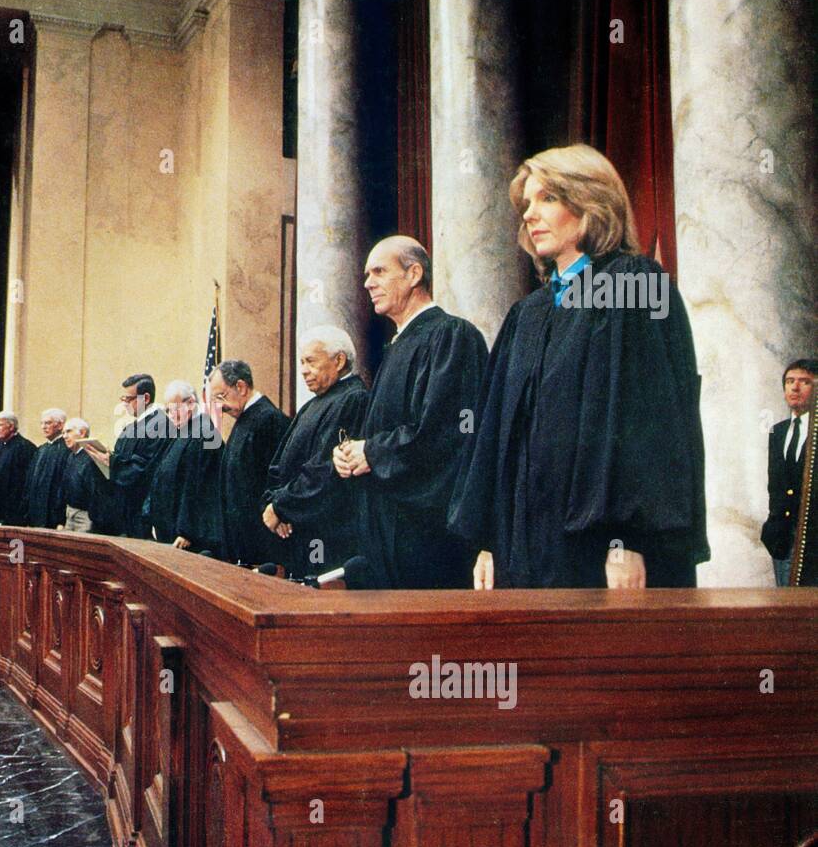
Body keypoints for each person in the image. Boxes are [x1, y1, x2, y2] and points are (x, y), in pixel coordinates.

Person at [448, 144, 708, 589]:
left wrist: (630, 540)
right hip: (525, 550)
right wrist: (488, 540)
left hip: (602, 552)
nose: (530, 214)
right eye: (527, 203)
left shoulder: (633, 285)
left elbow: (652, 424)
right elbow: (494, 435)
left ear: (591, 203)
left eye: (548, 198)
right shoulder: (526, 314)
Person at [333, 240, 488, 588]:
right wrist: (350, 452)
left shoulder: (450, 336)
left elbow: (446, 432)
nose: (367, 283)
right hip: (387, 532)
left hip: (426, 539)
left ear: (414, 273)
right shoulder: (399, 344)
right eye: (367, 274)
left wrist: (370, 452)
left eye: (379, 271)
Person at [264, 326, 370, 579]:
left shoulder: (352, 399)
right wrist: (276, 505)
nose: (302, 370)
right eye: (301, 362)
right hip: (298, 528)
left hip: (328, 535)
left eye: (310, 361)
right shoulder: (313, 404)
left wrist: (281, 506)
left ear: (339, 360)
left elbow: (325, 469)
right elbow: (278, 465)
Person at [209, 359, 291, 566]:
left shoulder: (269, 420)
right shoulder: (245, 419)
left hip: (262, 546)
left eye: (221, 396)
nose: (219, 407)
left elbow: (277, 478)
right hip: (243, 544)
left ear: (241, 387)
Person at [88, 374, 173, 538]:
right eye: (123, 399)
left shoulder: (160, 426)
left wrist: (112, 462)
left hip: (142, 513)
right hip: (125, 513)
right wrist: (107, 458)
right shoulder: (131, 427)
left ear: (146, 398)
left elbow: (145, 469)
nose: (124, 404)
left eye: (128, 399)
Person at [143, 380, 223, 552]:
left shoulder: (205, 434)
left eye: (174, 408)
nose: (170, 415)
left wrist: (187, 530)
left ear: (191, 404)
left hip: (189, 538)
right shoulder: (182, 433)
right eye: (167, 410)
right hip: (169, 530)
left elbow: (203, 488)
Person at [762, 359, 817, 584]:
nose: (795, 388)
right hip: (782, 538)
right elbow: (775, 485)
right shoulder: (778, 431)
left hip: (812, 539)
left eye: (804, 382)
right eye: (789, 381)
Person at [59, 417, 115, 533]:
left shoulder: (93, 456)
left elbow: (98, 492)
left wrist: (93, 518)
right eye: (63, 433)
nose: (64, 436)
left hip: (86, 516)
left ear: (83, 433)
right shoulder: (71, 456)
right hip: (70, 513)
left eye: (68, 431)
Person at [0, 411, 37, 525]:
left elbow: (26, 485)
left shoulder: (25, 447)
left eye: (0, 425)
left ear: (11, 426)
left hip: (15, 514)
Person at [23, 408, 70, 529]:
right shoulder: (41, 449)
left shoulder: (66, 450)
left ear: (60, 425)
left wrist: (61, 519)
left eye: (48, 423)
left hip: (54, 515)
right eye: (42, 423)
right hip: (35, 514)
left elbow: (64, 486)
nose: (43, 427)